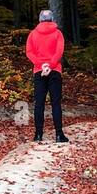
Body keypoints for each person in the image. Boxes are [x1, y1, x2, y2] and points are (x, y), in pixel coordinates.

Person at [25, 9, 67, 143]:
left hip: (39, 71)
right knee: (56, 103)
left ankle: (38, 135)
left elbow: (29, 52)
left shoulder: (32, 34)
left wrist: (41, 65)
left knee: (39, 104)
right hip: (55, 71)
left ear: (40, 19)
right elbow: (59, 51)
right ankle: (59, 135)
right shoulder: (58, 33)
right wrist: (50, 65)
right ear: (52, 19)